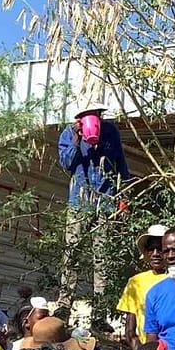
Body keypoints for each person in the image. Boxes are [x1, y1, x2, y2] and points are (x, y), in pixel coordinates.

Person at [58, 100, 131, 297]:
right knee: (72, 253)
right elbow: (65, 163)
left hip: (105, 202)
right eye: (90, 114)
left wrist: (124, 195)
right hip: (79, 203)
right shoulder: (69, 134)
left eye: (97, 114)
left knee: (102, 258)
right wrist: (76, 138)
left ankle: (100, 309)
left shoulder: (110, 132)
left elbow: (121, 164)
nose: (95, 117)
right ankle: (65, 302)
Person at [115, 224, 169, 350]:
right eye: (151, 249)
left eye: (160, 249)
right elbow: (130, 332)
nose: (156, 254)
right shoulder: (136, 282)